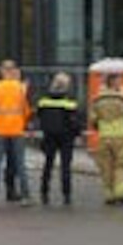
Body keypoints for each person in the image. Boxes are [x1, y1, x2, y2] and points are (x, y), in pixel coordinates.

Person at [0, 59, 31, 206]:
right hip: (17, 130)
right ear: (14, 70)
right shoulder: (21, 88)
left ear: (2, 71)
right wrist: (22, 123)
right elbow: (26, 111)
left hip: (0, 130)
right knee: (20, 163)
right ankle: (25, 196)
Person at [35, 72, 83, 206]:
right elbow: (75, 121)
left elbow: (39, 115)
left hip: (49, 136)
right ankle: (66, 194)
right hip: (66, 137)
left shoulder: (43, 100)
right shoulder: (69, 102)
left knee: (48, 164)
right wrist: (77, 134)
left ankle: (44, 192)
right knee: (65, 166)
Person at [89, 71, 123, 206]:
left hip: (104, 136)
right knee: (121, 165)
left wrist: (99, 127)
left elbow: (93, 118)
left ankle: (108, 194)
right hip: (121, 135)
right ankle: (120, 193)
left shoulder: (97, 99)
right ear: (115, 83)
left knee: (106, 166)